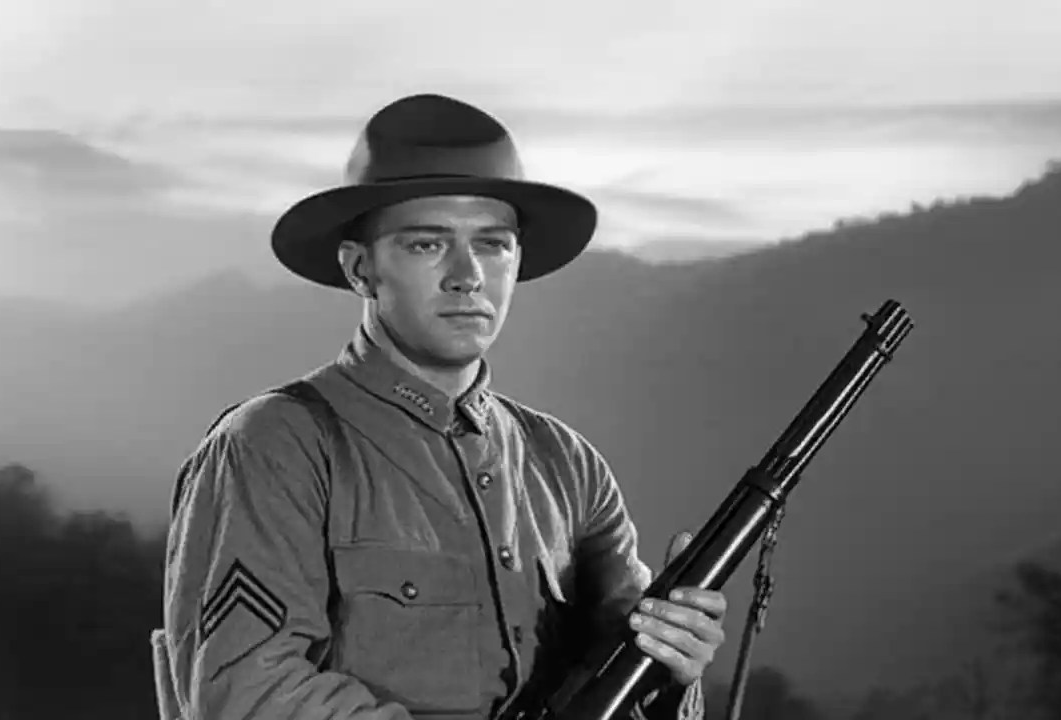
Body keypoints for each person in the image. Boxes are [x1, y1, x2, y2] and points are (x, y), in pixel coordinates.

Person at [150, 93, 730, 720]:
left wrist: (673, 674)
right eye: (427, 245)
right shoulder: (275, 445)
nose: (467, 275)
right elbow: (248, 694)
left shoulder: (569, 467)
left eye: (493, 244)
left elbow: (627, 690)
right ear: (360, 269)